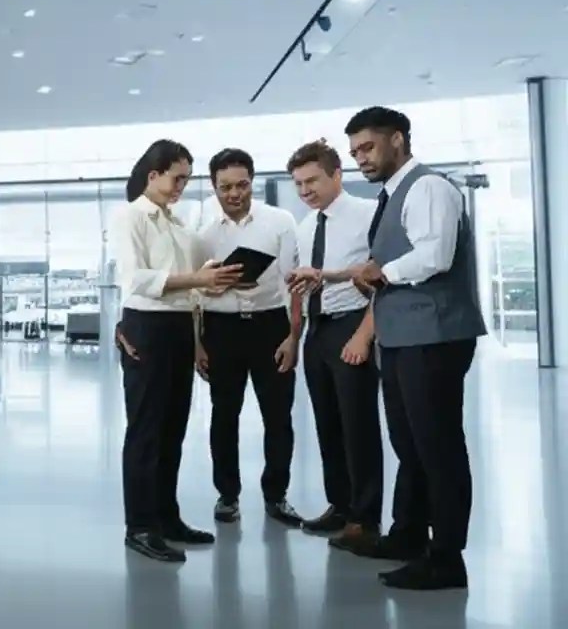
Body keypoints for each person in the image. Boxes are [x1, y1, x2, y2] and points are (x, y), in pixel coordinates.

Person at [343, 106, 486, 591]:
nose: (360, 158)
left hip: (435, 336)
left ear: (398, 140)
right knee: (409, 444)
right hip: (404, 336)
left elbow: (435, 254)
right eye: (354, 152)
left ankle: (447, 558)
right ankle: (408, 535)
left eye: (367, 147)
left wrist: (381, 272)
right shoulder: (391, 194)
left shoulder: (427, 187)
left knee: (438, 446)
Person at [111, 139, 243, 563]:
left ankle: (167, 518)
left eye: (186, 178)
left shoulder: (177, 223)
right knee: (146, 431)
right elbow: (137, 279)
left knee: (173, 431)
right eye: (177, 178)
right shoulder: (130, 216)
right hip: (147, 327)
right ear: (154, 175)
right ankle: (141, 526)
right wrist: (197, 281)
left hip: (179, 328)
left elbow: (195, 285)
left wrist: (210, 287)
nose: (181, 186)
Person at [282, 140, 384, 554]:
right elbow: (299, 288)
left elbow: (380, 276)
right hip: (317, 331)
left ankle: (365, 517)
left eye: (312, 181)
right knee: (328, 424)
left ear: (336, 174)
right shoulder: (305, 227)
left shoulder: (368, 214)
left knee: (358, 426)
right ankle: (340, 506)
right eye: (298, 184)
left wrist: (364, 334)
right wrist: (295, 335)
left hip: (352, 325)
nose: (305, 190)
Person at [195, 148, 305, 528]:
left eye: (242, 185)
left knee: (279, 416)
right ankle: (227, 495)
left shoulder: (280, 221)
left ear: (252, 182)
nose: (234, 194)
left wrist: (293, 337)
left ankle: (277, 496)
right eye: (225, 187)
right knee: (224, 416)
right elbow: (193, 294)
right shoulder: (203, 235)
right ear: (213, 187)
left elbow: (295, 287)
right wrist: (198, 343)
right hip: (220, 329)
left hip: (270, 325)